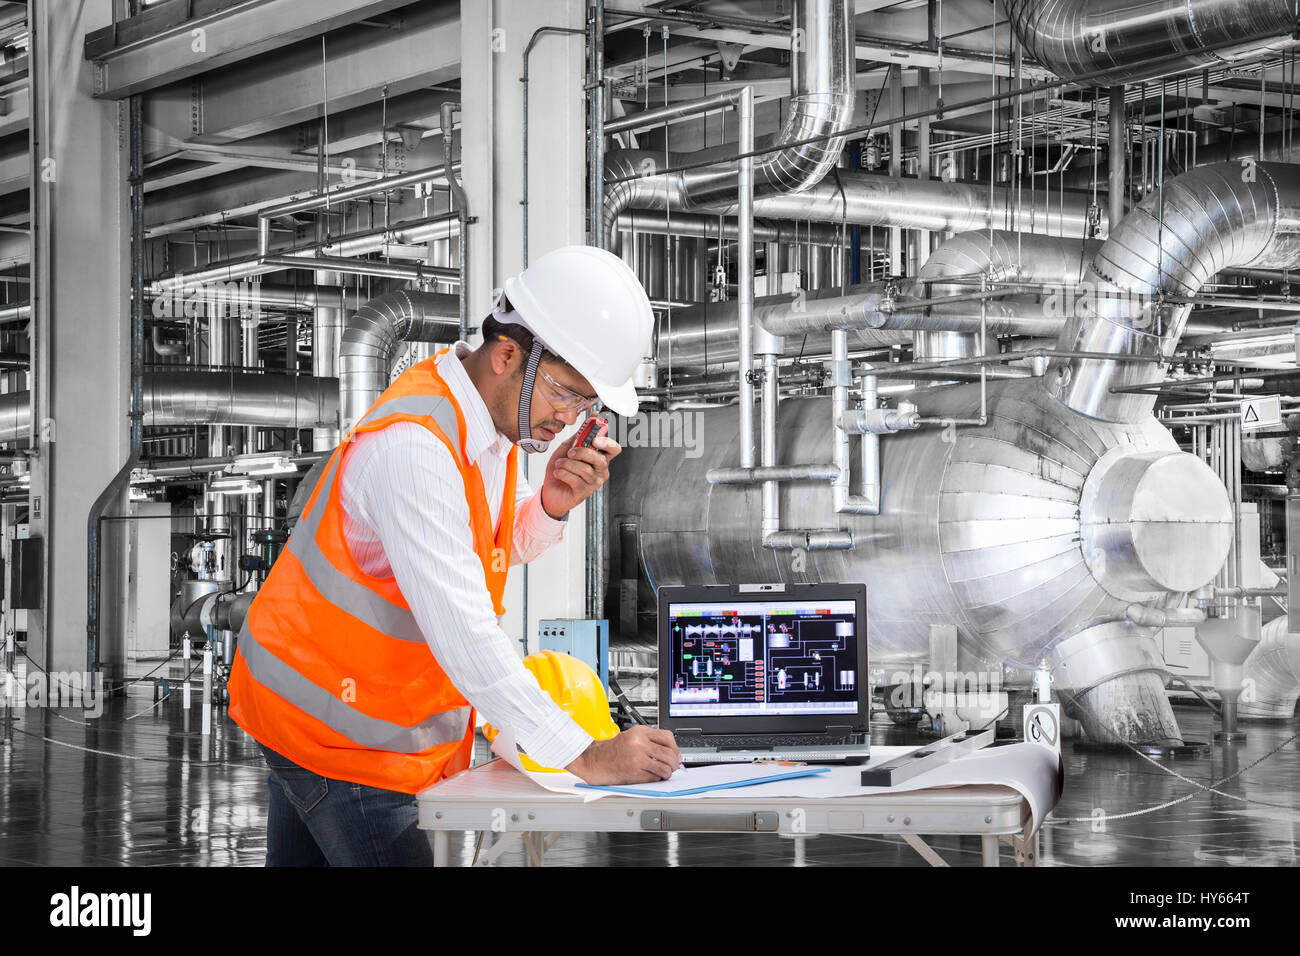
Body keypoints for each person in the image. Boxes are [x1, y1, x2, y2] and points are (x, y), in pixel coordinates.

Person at [227, 245, 682, 866]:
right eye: (568, 395)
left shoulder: (485, 428)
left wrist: (549, 503)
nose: (573, 420)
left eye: (588, 406)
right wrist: (585, 753)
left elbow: (485, 549)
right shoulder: (416, 449)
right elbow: (464, 630)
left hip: (314, 714)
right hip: (346, 735)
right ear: (507, 356)